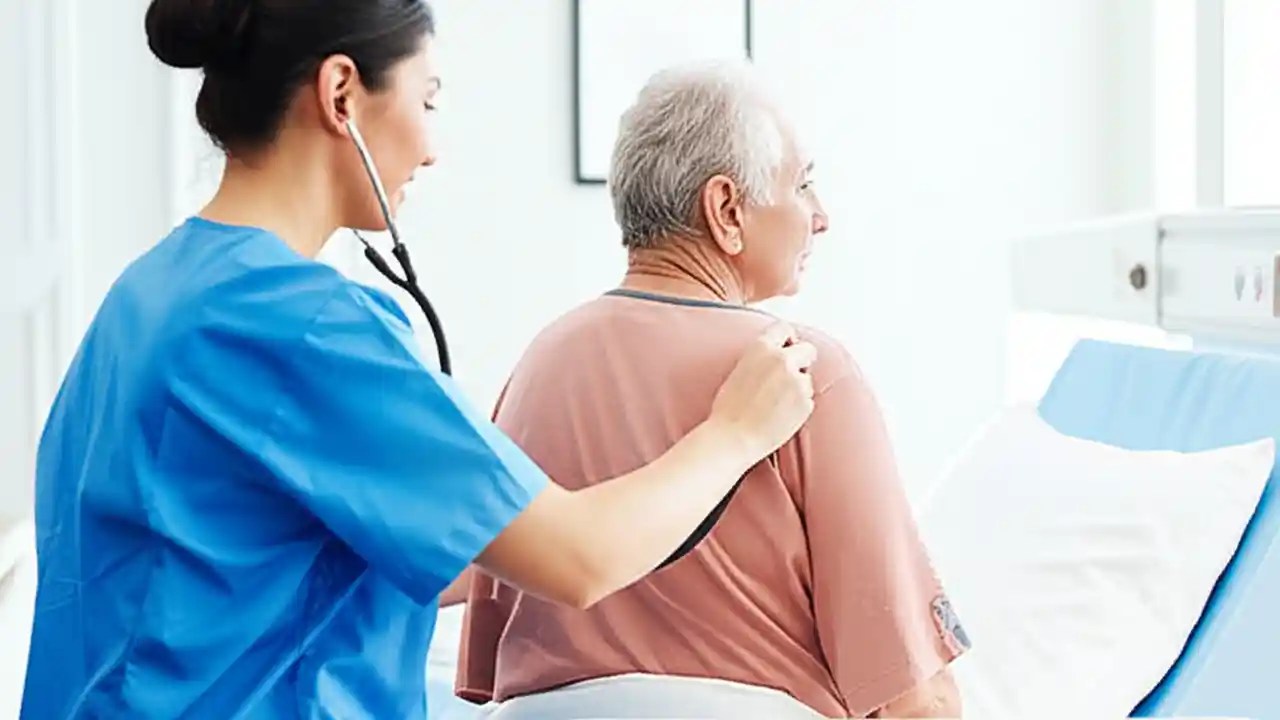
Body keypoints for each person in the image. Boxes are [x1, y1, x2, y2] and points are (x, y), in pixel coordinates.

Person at [18, 3, 819, 719]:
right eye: (427, 99)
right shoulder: (306, 326)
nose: (432, 150)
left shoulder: (151, 292)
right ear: (342, 97)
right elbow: (581, 559)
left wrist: (502, 532)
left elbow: (250, 570)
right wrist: (735, 432)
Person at [454, 62, 967, 719]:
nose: (822, 217)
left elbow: (497, 670)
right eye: (803, 184)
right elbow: (912, 700)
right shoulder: (801, 372)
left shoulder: (539, 364)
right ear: (727, 210)